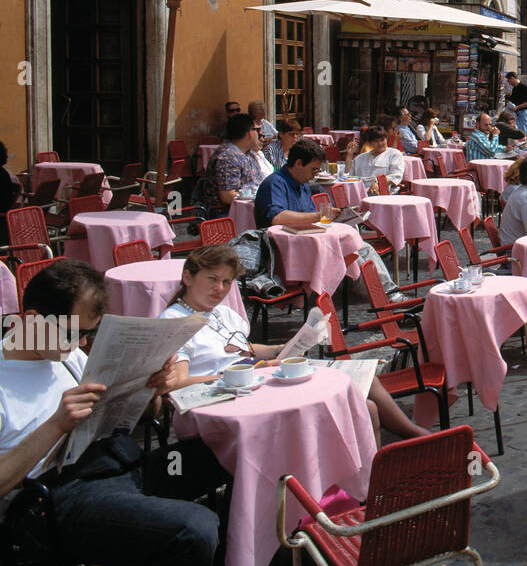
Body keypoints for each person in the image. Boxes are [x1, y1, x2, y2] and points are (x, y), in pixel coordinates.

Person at [0, 260, 219, 566]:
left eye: (90, 333)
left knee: (222, 453)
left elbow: (141, 416)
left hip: (112, 467)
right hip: (54, 502)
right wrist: (56, 425)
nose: (80, 344)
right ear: (33, 320)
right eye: (75, 333)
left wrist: (151, 390)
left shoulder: (64, 353)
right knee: (195, 527)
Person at [159, 246, 428, 443]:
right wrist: (245, 372)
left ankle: (370, 477)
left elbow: (245, 349)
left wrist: (285, 347)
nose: (220, 288)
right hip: (228, 399)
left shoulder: (222, 312)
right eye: (212, 279)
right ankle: (393, 454)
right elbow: (179, 382)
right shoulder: (175, 322)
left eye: (226, 282)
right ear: (187, 278)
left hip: (257, 379)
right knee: (363, 409)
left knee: (365, 387)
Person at [254, 139, 406, 300]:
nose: (316, 175)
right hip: (287, 251)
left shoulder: (302, 183)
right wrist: (319, 216)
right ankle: (382, 298)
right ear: (298, 163)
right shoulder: (274, 184)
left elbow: (309, 215)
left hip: (309, 241)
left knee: (362, 247)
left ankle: (390, 292)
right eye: (313, 170)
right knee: (352, 253)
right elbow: (277, 218)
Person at [197, 113, 264, 217]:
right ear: (250, 133)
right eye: (257, 130)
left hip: (250, 209)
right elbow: (227, 196)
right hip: (230, 216)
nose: (260, 134)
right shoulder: (228, 157)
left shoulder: (248, 153)